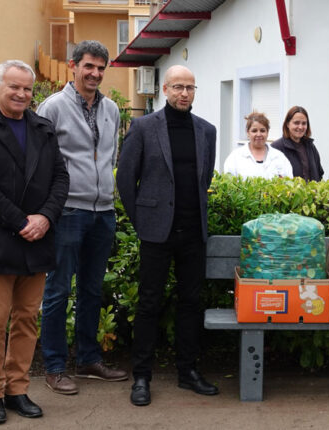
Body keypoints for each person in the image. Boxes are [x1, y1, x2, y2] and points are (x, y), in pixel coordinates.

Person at [0, 60, 69, 424]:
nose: (21, 94)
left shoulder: (43, 128)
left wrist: (46, 217)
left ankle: (17, 389)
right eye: (14, 87)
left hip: (37, 239)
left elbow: (60, 179)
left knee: (26, 320)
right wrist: (21, 221)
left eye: (27, 89)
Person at [116, 64, 219, 406]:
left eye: (189, 87)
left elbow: (205, 179)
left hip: (193, 232)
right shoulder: (144, 127)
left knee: (191, 302)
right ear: (164, 89)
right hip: (156, 233)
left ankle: (188, 372)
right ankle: (142, 377)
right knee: (149, 303)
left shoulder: (207, 131)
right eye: (177, 87)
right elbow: (125, 179)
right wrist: (142, 222)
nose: (184, 93)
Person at [36, 40, 127, 396]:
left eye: (101, 68)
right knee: (58, 290)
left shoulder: (113, 109)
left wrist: (109, 196)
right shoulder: (53, 107)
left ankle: (89, 359)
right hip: (67, 211)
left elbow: (110, 157)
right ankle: (55, 366)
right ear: (74, 66)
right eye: (89, 66)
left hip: (102, 212)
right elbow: (40, 161)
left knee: (92, 289)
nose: (95, 73)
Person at [223, 111, 293, 179]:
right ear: (248, 133)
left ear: (267, 132)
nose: (259, 134)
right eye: (254, 131)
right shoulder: (235, 157)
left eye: (262, 130)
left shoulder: (279, 157)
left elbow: (288, 183)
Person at [271, 106, 324, 181]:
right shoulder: (276, 148)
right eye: (296, 123)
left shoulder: (310, 146)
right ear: (287, 124)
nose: (300, 127)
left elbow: (320, 173)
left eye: (304, 123)